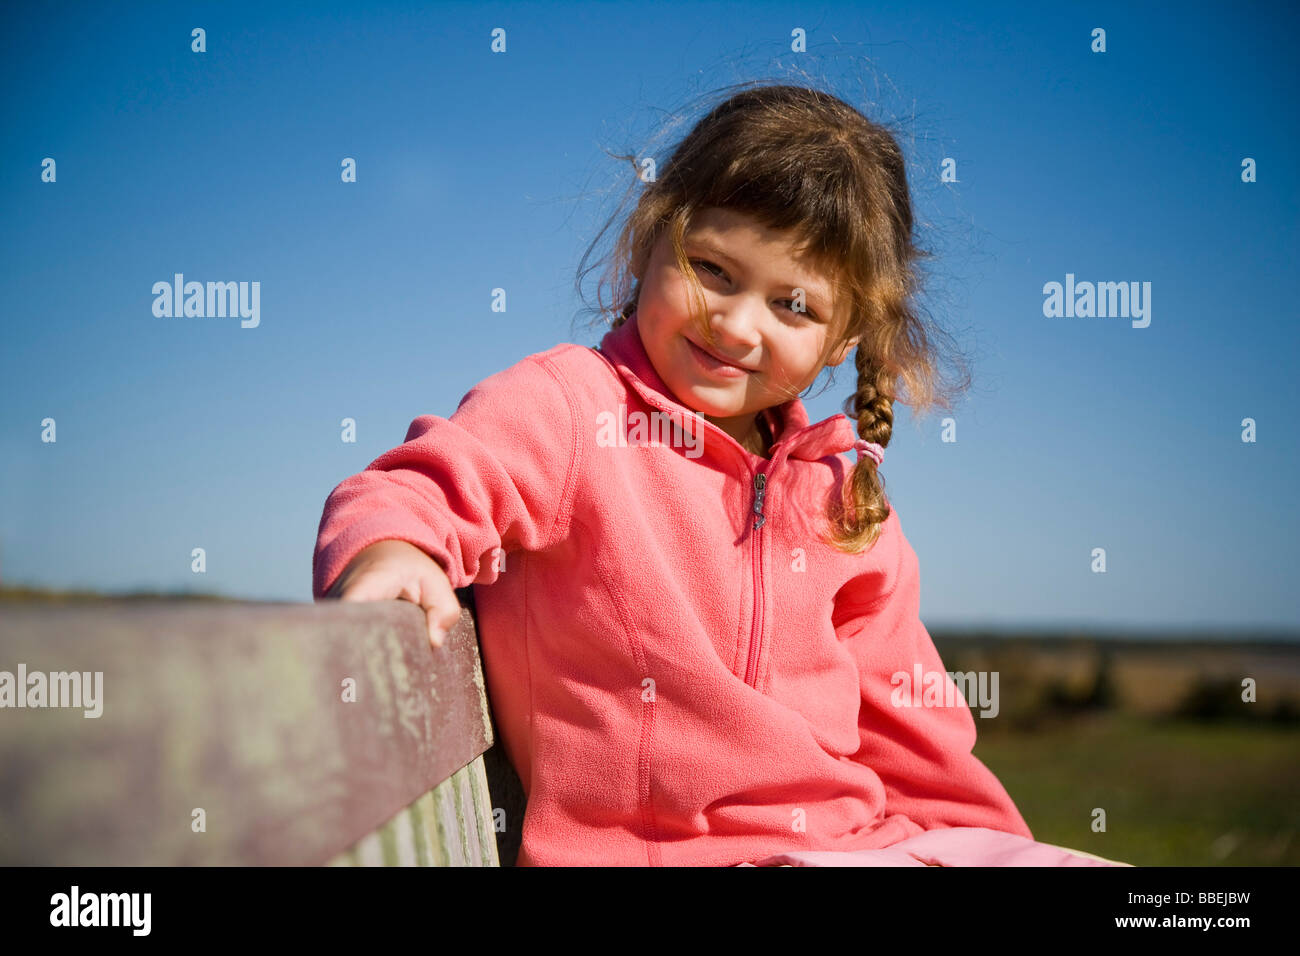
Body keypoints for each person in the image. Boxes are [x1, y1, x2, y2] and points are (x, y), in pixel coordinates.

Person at [312, 83, 1128, 867]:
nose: (737, 326)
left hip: (857, 847)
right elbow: (424, 484)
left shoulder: (846, 502)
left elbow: (915, 733)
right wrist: (393, 550)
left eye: (794, 306)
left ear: (845, 339)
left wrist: (997, 851)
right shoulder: (571, 409)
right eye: (713, 270)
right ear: (649, 239)